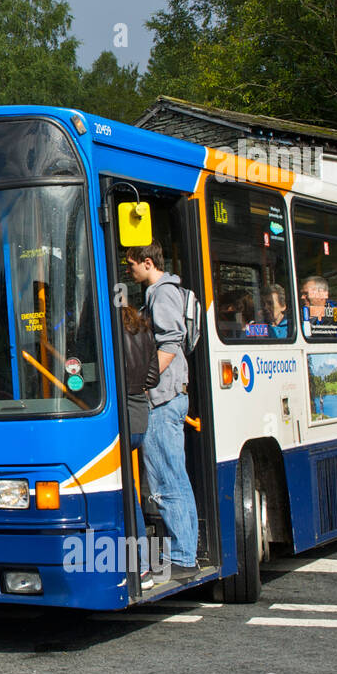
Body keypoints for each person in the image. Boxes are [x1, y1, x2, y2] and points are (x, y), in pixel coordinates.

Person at [126, 241, 199, 579]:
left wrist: (143, 380)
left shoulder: (161, 292)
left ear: (146, 262)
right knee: (165, 476)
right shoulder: (160, 292)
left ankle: (184, 556)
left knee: (169, 478)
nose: (129, 269)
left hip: (163, 397)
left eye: (131, 264)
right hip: (166, 396)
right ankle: (180, 552)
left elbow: (171, 342)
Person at [121, 302, 159, 589]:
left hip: (118, 420)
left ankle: (139, 565)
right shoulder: (143, 331)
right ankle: (142, 564)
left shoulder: (105, 332)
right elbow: (152, 377)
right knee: (128, 488)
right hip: (140, 417)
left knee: (123, 494)